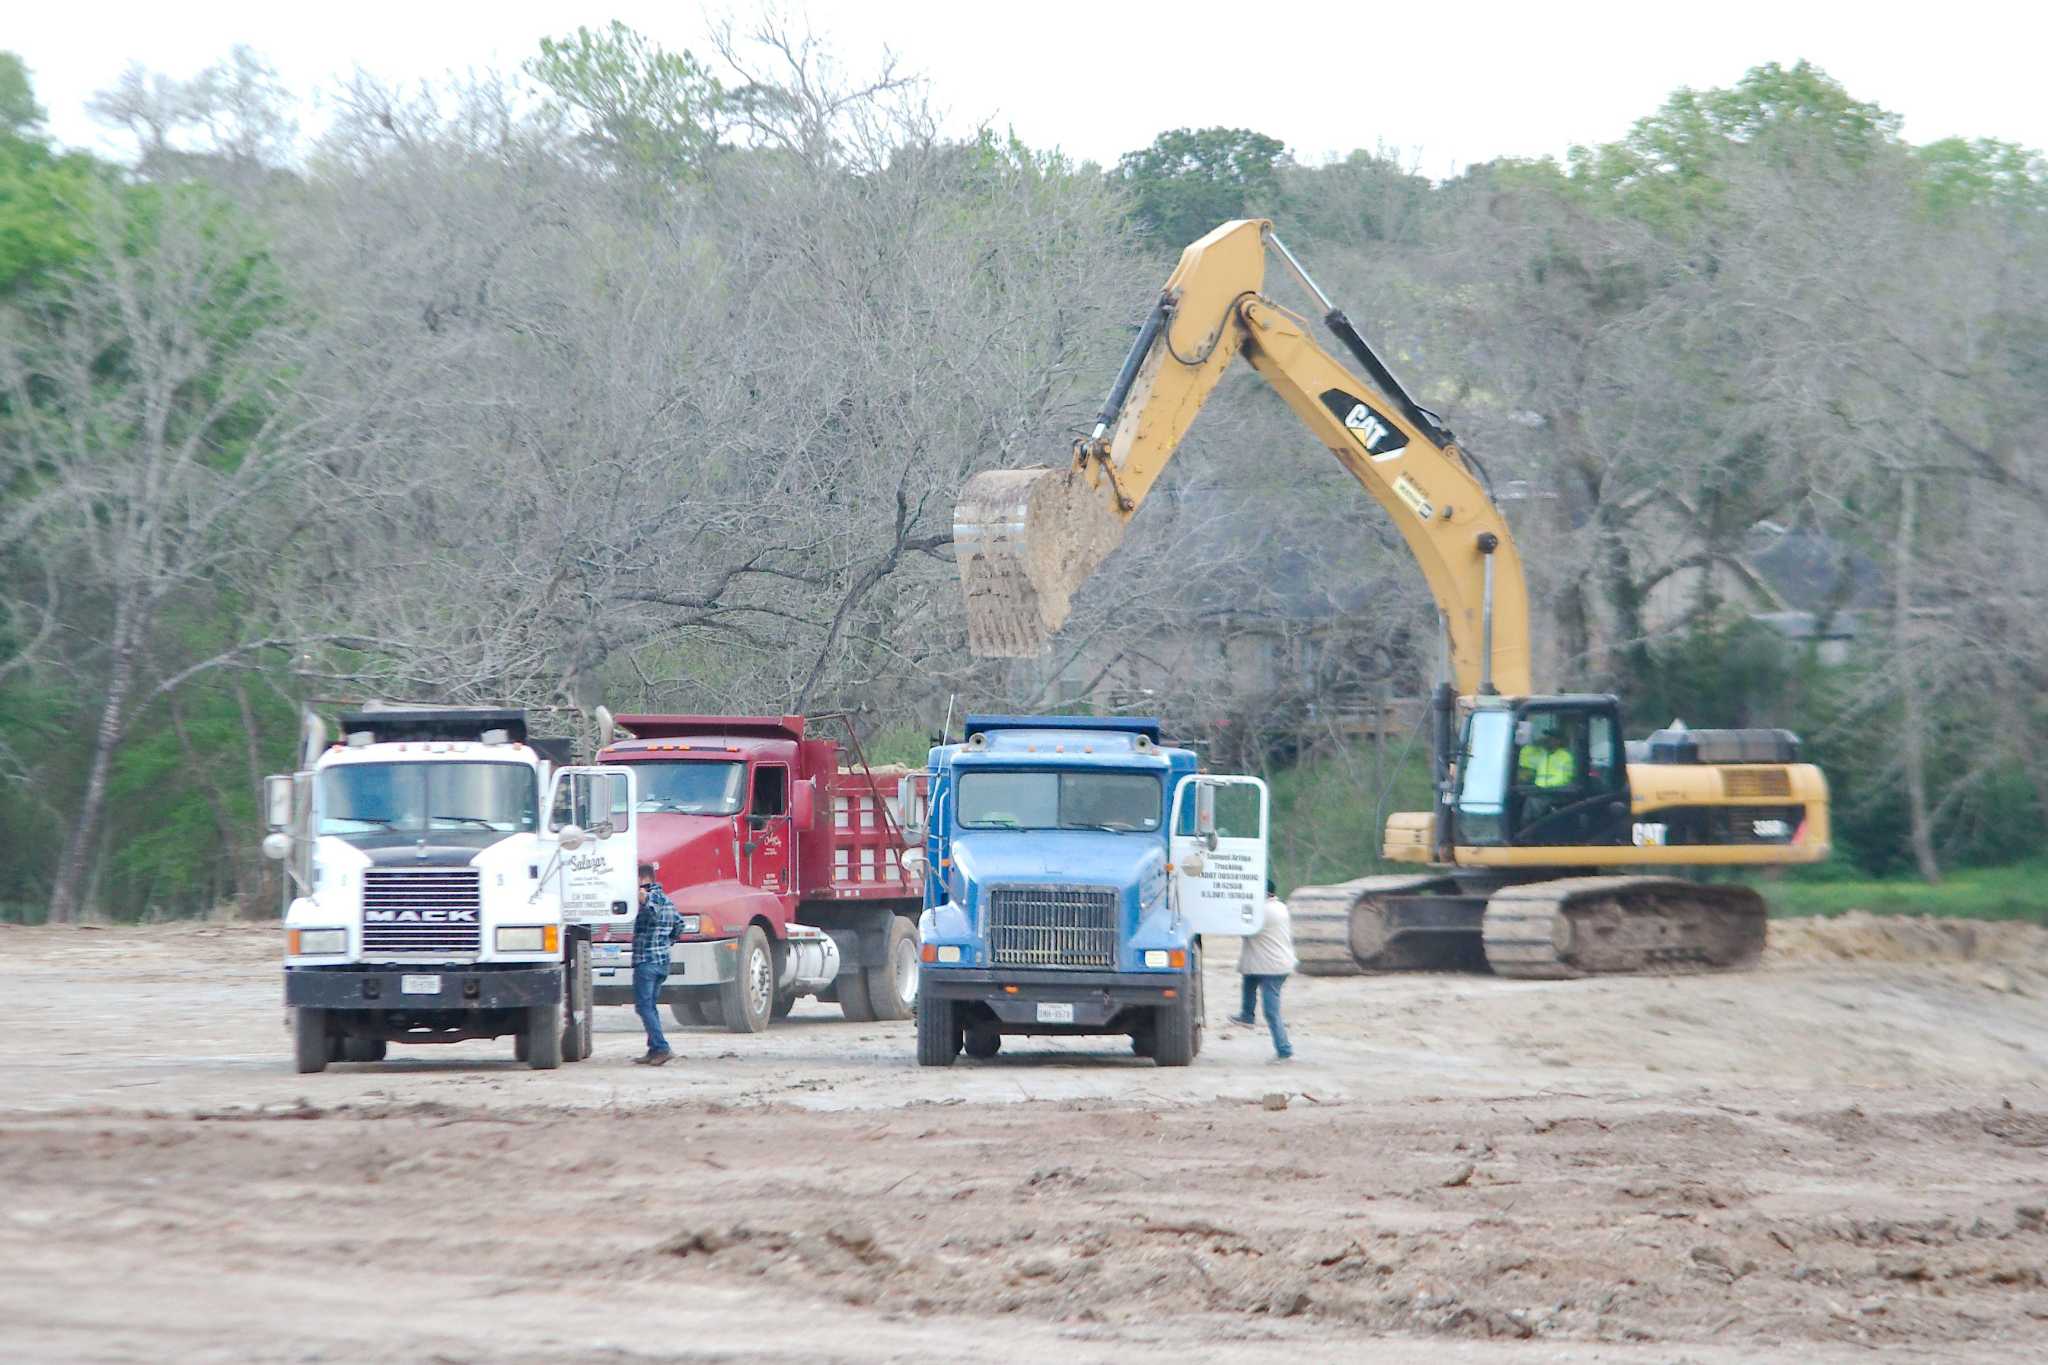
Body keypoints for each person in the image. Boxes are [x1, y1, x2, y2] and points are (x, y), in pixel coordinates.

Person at [1228, 876, 1295, 1062]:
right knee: (1248, 979)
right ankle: (1246, 1015)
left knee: (1271, 1012)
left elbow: (1243, 928)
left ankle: (1284, 1049)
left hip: (1271, 967)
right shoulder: (1279, 907)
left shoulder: (1264, 912)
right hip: (1271, 964)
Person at [631, 862, 683, 1066]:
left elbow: (651, 907)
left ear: (643, 879)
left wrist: (638, 894)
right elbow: (679, 924)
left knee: (644, 1007)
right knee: (650, 1006)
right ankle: (654, 1049)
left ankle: (661, 1048)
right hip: (661, 961)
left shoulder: (653, 897)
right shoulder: (669, 900)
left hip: (647, 961)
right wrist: (667, 941)